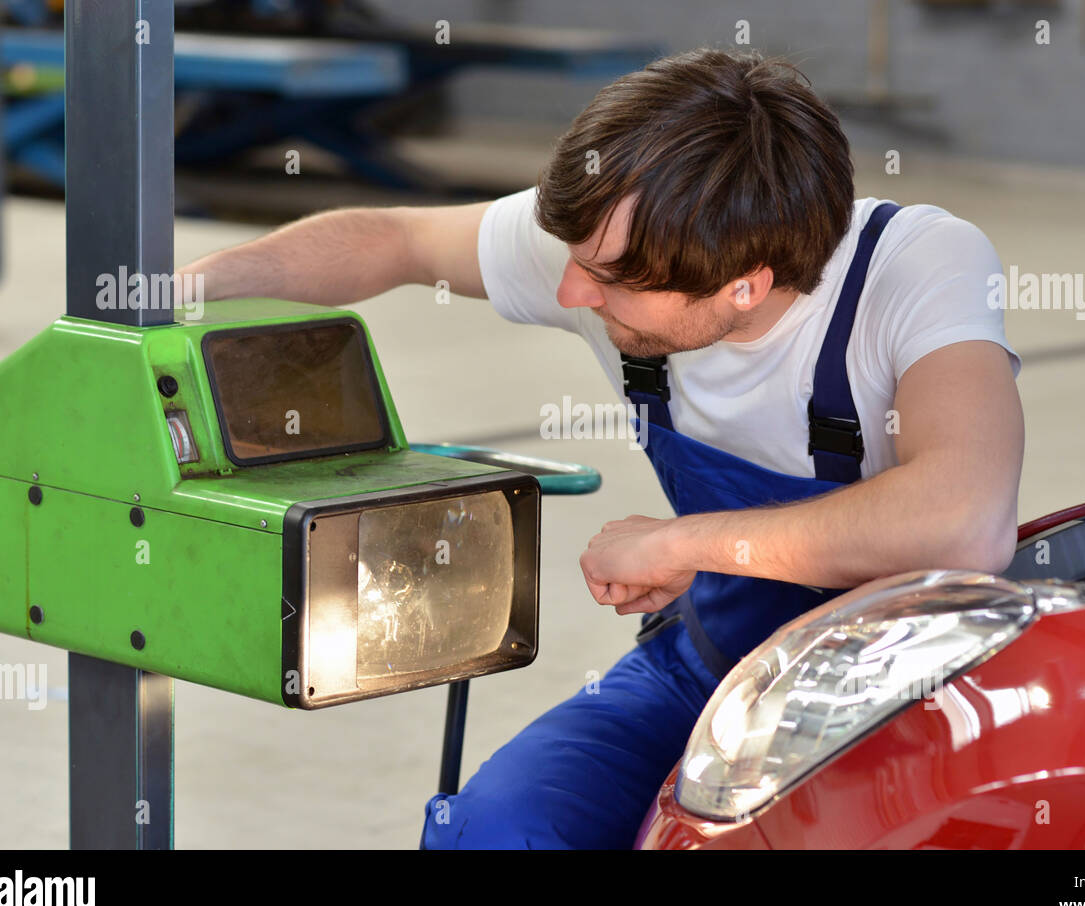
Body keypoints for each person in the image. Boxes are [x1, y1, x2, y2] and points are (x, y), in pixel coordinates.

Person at [179, 48, 1024, 850]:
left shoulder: (915, 267)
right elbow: (391, 239)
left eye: (610, 283)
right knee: (501, 830)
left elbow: (963, 521)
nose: (569, 292)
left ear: (747, 282)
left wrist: (681, 542)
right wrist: (190, 288)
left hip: (898, 695)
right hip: (714, 667)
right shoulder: (617, 240)